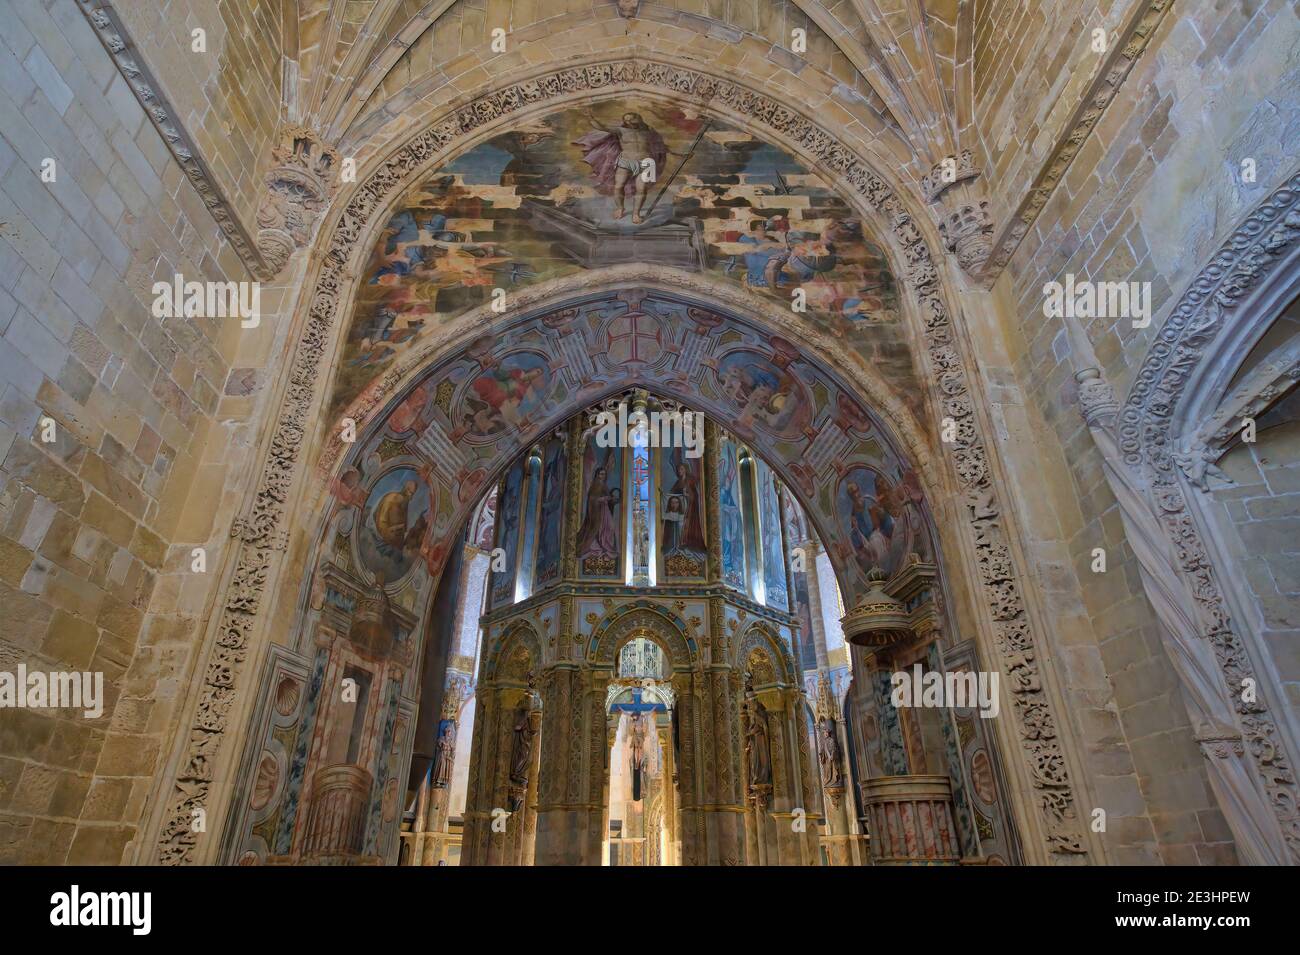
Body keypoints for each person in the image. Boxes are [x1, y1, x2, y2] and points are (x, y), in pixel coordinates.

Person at [575, 111, 668, 224]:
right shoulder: (621, 130)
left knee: (642, 189)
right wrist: (591, 118)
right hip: (626, 162)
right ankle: (620, 208)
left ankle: (636, 214)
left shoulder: (649, 131)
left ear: (638, 118)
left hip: (646, 162)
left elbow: (660, 146)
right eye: (626, 120)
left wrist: (680, 155)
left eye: (631, 119)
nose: (629, 122)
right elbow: (602, 127)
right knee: (618, 186)